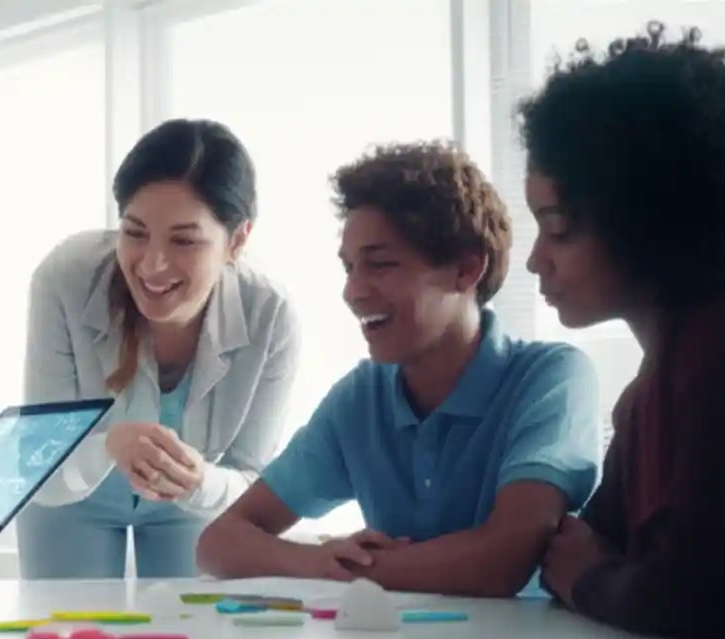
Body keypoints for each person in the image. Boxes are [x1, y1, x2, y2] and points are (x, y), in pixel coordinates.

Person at [197, 141, 602, 597]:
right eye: (349, 268)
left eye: (380, 265)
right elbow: (218, 543)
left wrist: (353, 569)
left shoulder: (551, 379)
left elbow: (501, 561)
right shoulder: (362, 397)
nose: (352, 292)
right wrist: (319, 559)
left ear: (465, 270)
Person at [17, 119, 300, 579]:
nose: (152, 264)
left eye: (184, 240)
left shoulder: (270, 314)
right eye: (135, 232)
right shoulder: (65, 278)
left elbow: (254, 485)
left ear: (238, 239)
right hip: (70, 495)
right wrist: (109, 445)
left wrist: (199, 479)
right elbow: (38, 463)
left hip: (194, 502)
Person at [523, 22, 725, 639]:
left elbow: (689, 595)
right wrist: (597, 571)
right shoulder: (649, 391)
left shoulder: (713, 369)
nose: (536, 261)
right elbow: (585, 544)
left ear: (648, 219)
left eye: (559, 229)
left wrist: (591, 578)